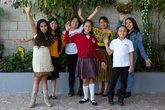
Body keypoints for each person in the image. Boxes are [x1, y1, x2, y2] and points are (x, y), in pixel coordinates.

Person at [64, 19, 107, 106]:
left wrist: (102, 61)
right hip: (82, 60)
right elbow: (67, 40)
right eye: (86, 26)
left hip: (91, 60)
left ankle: (92, 99)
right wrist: (67, 31)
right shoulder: (77, 36)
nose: (88, 28)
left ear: (91, 28)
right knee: (84, 80)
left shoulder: (93, 38)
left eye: (89, 26)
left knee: (91, 79)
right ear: (83, 27)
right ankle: (85, 97)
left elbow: (97, 51)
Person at [63, 6, 100, 97]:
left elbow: (88, 22)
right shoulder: (65, 32)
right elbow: (66, 41)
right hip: (69, 55)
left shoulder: (79, 30)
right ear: (70, 23)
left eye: (76, 22)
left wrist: (95, 11)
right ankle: (71, 88)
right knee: (71, 72)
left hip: (79, 54)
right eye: (73, 21)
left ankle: (81, 88)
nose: (75, 23)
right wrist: (67, 31)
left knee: (81, 72)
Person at [22, 5, 53, 108]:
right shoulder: (36, 35)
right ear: (39, 27)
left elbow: (48, 51)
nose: (44, 28)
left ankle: (46, 100)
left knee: (44, 80)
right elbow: (31, 24)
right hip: (37, 62)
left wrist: (50, 62)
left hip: (46, 61)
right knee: (36, 80)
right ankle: (33, 101)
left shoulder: (48, 37)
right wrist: (28, 13)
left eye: (45, 26)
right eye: (42, 26)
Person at [115, 13, 152, 98]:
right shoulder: (123, 31)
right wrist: (120, 21)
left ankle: (128, 91)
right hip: (120, 56)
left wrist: (145, 58)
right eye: (126, 23)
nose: (128, 24)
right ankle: (119, 89)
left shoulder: (137, 34)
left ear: (133, 23)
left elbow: (140, 47)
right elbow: (117, 32)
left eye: (130, 22)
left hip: (132, 57)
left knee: (130, 74)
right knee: (118, 73)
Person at [104, 25, 134, 106]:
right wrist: (106, 44)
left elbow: (131, 54)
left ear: (126, 33)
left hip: (126, 66)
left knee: (124, 82)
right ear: (117, 32)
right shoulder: (114, 42)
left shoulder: (129, 42)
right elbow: (110, 52)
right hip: (116, 65)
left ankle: (121, 99)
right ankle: (110, 97)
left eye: (124, 31)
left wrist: (131, 66)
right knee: (113, 82)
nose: (122, 32)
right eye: (120, 31)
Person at [93, 16, 115, 96]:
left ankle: (106, 89)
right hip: (97, 52)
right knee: (98, 70)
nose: (103, 24)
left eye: (104, 22)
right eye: (101, 22)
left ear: (107, 22)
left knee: (106, 70)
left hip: (106, 52)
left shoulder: (111, 33)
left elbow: (112, 44)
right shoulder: (96, 31)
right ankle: (99, 89)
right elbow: (86, 22)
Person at [47, 18, 64, 99]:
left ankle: (53, 94)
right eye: (52, 23)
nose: (54, 25)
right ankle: (45, 94)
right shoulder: (46, 34)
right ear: (49, 24)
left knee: (54, 77)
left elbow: (63, 44)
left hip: (55, 57)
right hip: (46, 58)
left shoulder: (60, 35)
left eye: (55, 23)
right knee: (45, 77)